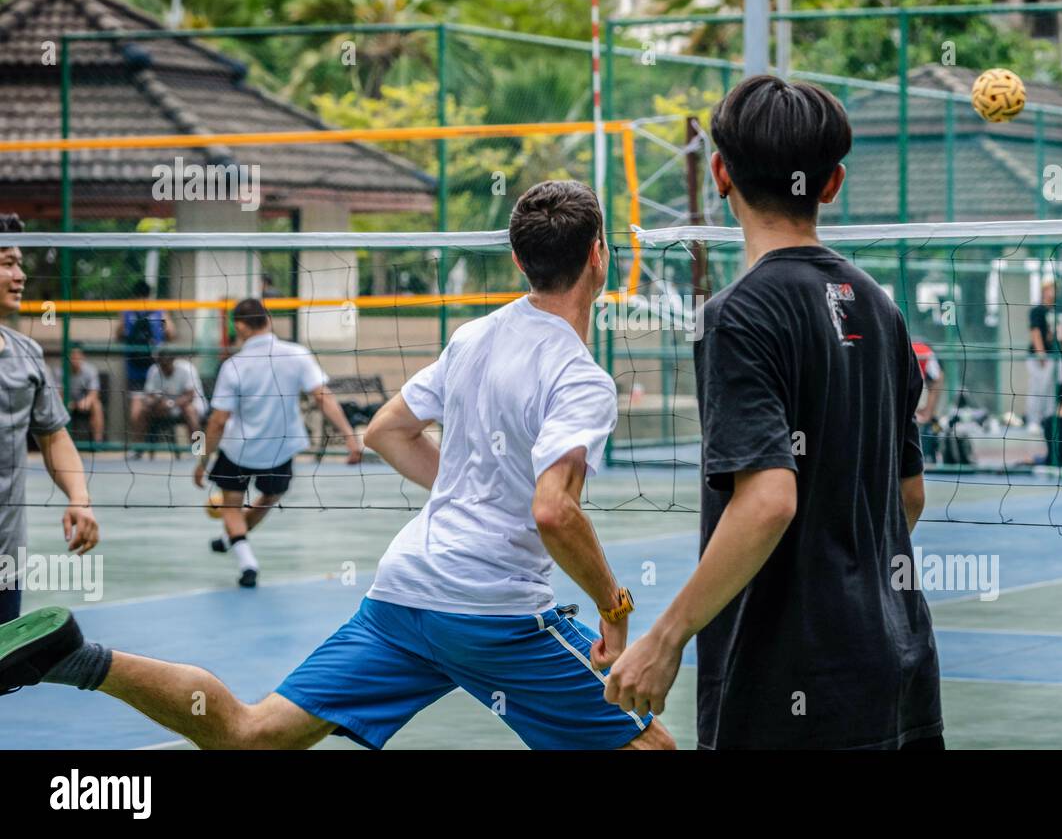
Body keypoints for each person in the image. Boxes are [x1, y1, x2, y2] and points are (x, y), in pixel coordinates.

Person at [0, 182, 674, 752]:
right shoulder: (582, 378)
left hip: (406, 593)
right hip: (490, 612)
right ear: (598, 256)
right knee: (650, 744)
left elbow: (387, 431)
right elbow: (554, 510)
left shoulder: (476, 335)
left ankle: (81, 659)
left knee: (249, 732)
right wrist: (614, 605)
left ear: (518, 259)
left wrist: (475, 493)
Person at [604, 76, 942, 749]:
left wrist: (666, 638)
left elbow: (768, 502)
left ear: (721, 173)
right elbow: (909, 496)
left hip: (792, 681)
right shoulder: (881, 307)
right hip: (898, 662)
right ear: (832, 183)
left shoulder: (737, 317)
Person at [195, 298, 361, 588]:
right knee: (269, 497)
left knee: (231, 507)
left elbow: (218, 421)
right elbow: (323, 397)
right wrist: (350, 437)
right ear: (268, 321)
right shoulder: (297, 354)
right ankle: (237, 542)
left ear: (241, 327)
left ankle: (244, 556)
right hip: (279, 448)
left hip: (238, 449)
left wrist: (201, 460)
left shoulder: (233, 365)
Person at [0, 214, 100, 625]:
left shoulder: (27, 355)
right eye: (8, 262)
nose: (20, 275)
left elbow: (54, 437)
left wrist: (79, 498)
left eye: (19, 262)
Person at [1025, 278, 1062, 430]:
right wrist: (1041, 354)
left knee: (1056, 389)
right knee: (1039, 388)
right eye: (1049, 288)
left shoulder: (1061, 310)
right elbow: (1035, 332)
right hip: (1040, 357)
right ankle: (1034, 420)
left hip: (1058, 356)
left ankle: (1050, 419)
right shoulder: (1037, 311)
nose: (1052, 291)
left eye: (1054, 288)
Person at [130, 348, 207, 443]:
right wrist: (154, 402)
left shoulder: (186, 369)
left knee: (189, 410)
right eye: (161, 363)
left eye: (166, 362)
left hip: (191, 404)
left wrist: (170, 404)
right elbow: (149, 395)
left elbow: (189, 396)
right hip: (164, 407)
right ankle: (137, 448)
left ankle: (198, 449)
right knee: (143, 411)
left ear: (173, 360)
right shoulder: (154, 370)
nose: (164, 366)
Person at [117, 281, 174, 396]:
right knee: (155, 401)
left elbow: (118, 335)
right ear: (149, 294)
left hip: (134, 363)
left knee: (136, 401)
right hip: (155, 364)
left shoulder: (127, 311)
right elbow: (171, 333)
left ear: (134, 294)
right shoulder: (159, 310)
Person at [913, 339, 944, 463]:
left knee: (929, 419)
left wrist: (928, 413)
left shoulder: (927, 356)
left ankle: (929, 453)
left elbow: (938, 380)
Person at [66, 344, 104, 444]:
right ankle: (64, 443)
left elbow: (94, 392)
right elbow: (58, 393)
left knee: (97, 405)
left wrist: (86, 401)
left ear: (82, 357)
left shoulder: (90, 370)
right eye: (72, 356)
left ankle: (97, 442)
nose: (75, 359)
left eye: (77, 356)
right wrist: (66, 403)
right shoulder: (61, 371)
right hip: (66, 402)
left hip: (84, 402)